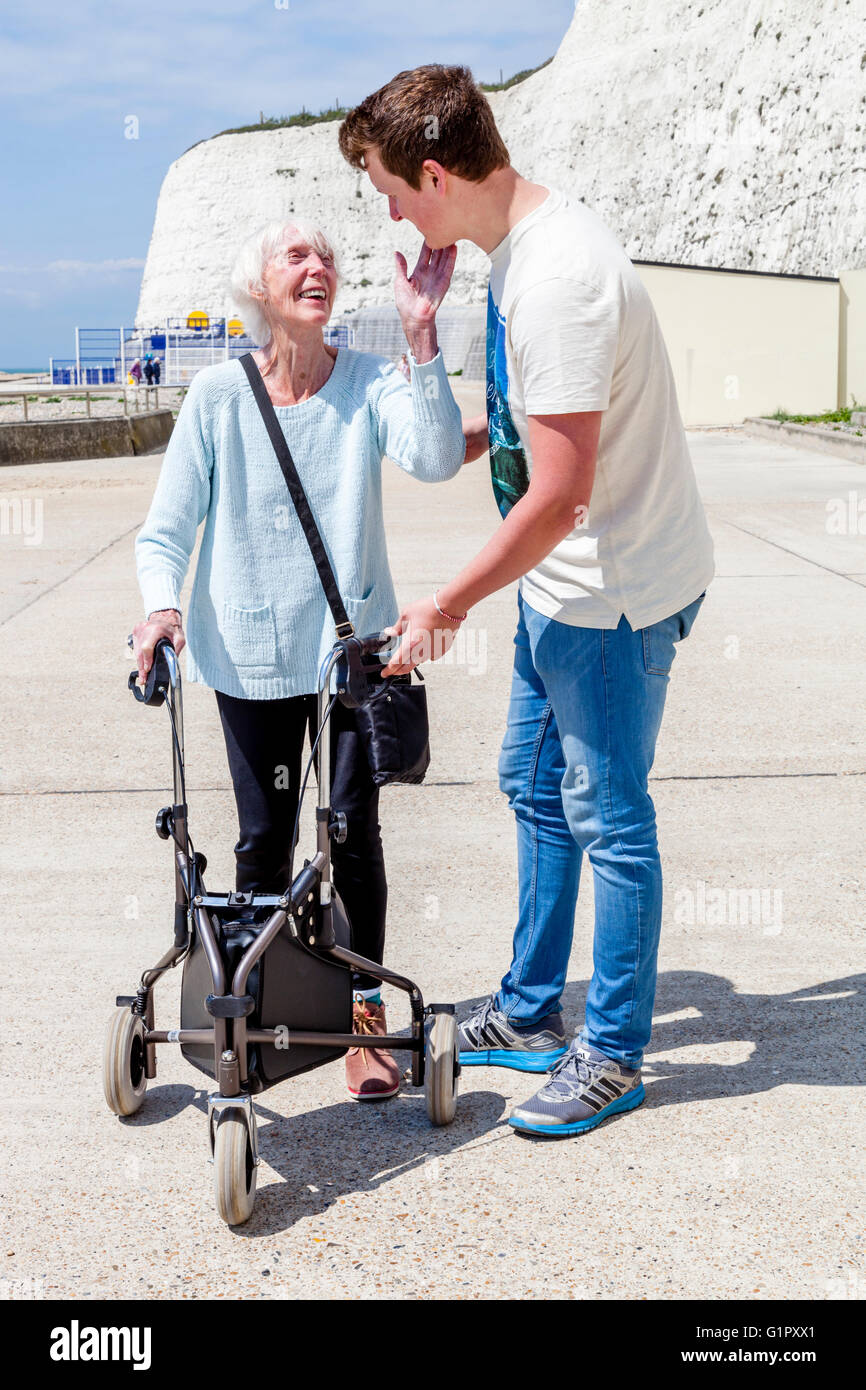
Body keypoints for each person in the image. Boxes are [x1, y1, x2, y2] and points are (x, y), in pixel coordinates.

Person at [339, 66, 714, 1136]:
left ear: (433, 171)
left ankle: (612, 1054)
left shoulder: (554, 278)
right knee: (531, 785)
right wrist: (424, 393)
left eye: (391, 193)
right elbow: (532, 434)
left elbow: (557, 494)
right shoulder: (517, 256)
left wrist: (441, 605)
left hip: (610, 594)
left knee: (608, 815)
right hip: (564, 585)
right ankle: (528, 1009)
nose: (394, 218)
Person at [131, 218, 465, 1101]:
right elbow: (167, 526)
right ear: (261, 286)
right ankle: (261, 1014)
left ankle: (362, 1014)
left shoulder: (365, 383)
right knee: (263, 846)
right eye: (297, 256)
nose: (317, 267)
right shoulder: (216, 399)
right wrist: (161, 609)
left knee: (351, 836)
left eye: (326, 257)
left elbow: (434, 456)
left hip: (351, 655)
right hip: (248, 653)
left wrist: (423, 336)